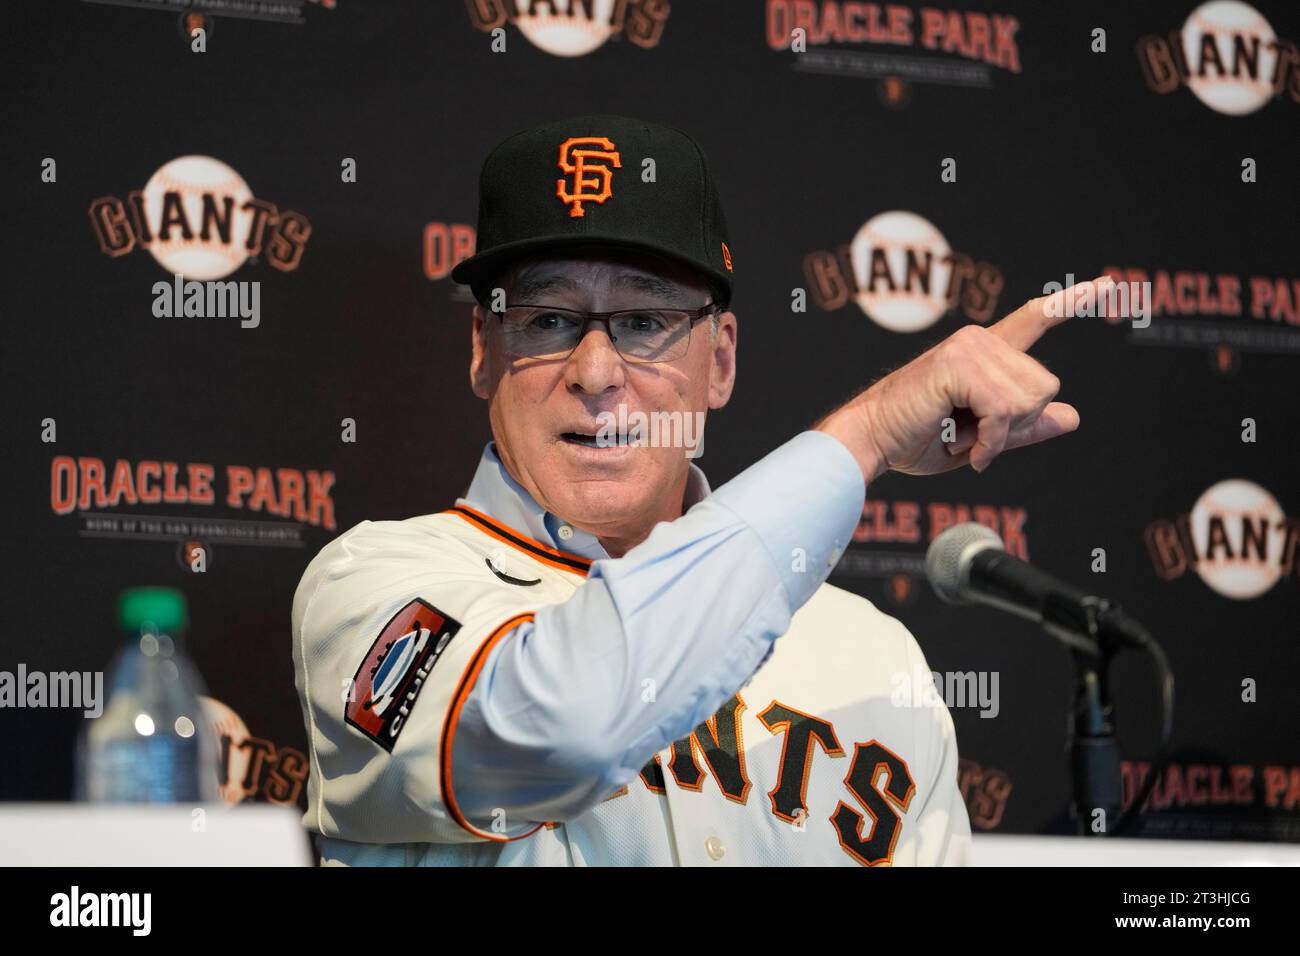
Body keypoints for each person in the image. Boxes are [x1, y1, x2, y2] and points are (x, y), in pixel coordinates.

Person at [292, 113, 1095, 866]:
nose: (596, 373)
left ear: (721, 361)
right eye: (546, 321)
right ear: (483, 349)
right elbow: (562, 731)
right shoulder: (369, 585)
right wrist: (871, 433)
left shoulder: (872, 654)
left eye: (645, 322)